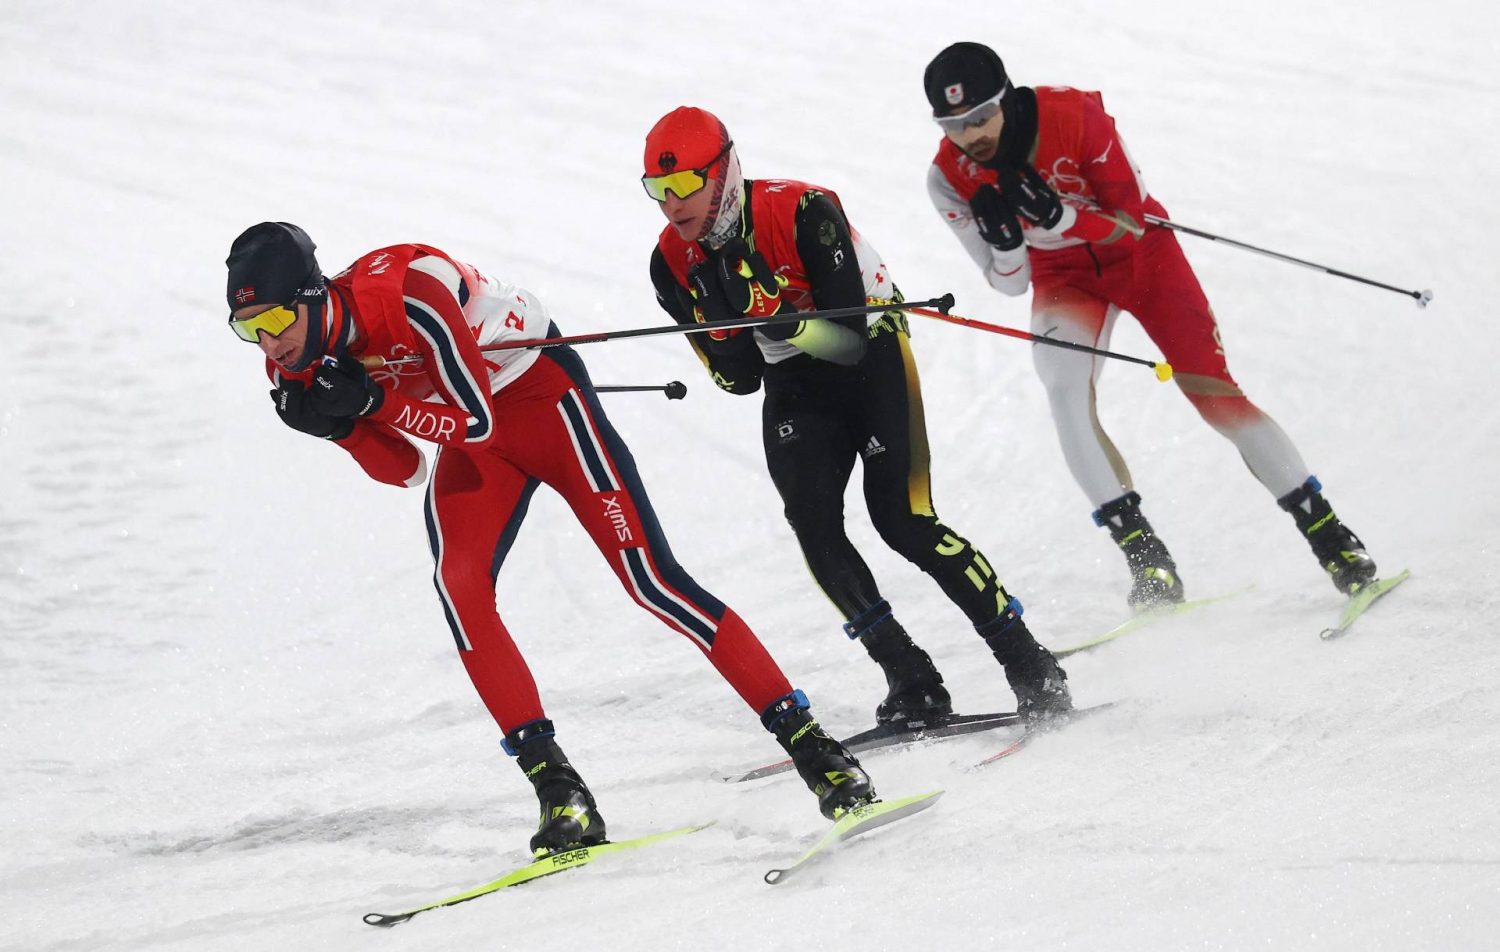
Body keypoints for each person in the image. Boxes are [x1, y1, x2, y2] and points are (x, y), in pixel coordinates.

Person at [223, 223, 875, 851]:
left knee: (652, 582)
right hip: (476, 439)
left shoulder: (408, 295)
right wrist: (338, 428)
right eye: (247, 330)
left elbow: (474, 421)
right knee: (460, 590)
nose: (268, 345)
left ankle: (817, 750)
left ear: (312, 297)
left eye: (275, 321)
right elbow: (405, 468)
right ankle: (559, 791)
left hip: (540, 398)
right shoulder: (291, 369)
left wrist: (375, 405)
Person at [640, 106, 1072, 725]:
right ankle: (909, 675)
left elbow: (846, 342)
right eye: (658, 191)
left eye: (685, 185)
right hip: (792, 375)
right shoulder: (670, 264)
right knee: (812, 524)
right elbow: (739, 380)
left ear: (725, 172)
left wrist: (778, 318)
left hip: (870, 345)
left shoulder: (804, 211)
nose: (672, 205)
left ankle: (1028, 661)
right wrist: (719, 317)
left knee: (902, 518)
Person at [921, 42, 1379, 608]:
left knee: (1214, 394)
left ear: (1006, 100)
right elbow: (1009, 284)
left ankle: (1332, 537)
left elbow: (1131, 223)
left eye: (979, 117)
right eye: (952, 124)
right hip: (1064, 275)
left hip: (1143, 261)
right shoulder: (948, 176)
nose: (970, 135)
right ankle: (1147, 560)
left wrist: (1060, 215)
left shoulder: (1075, 116)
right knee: (1065, 396)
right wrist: (1009, 244)